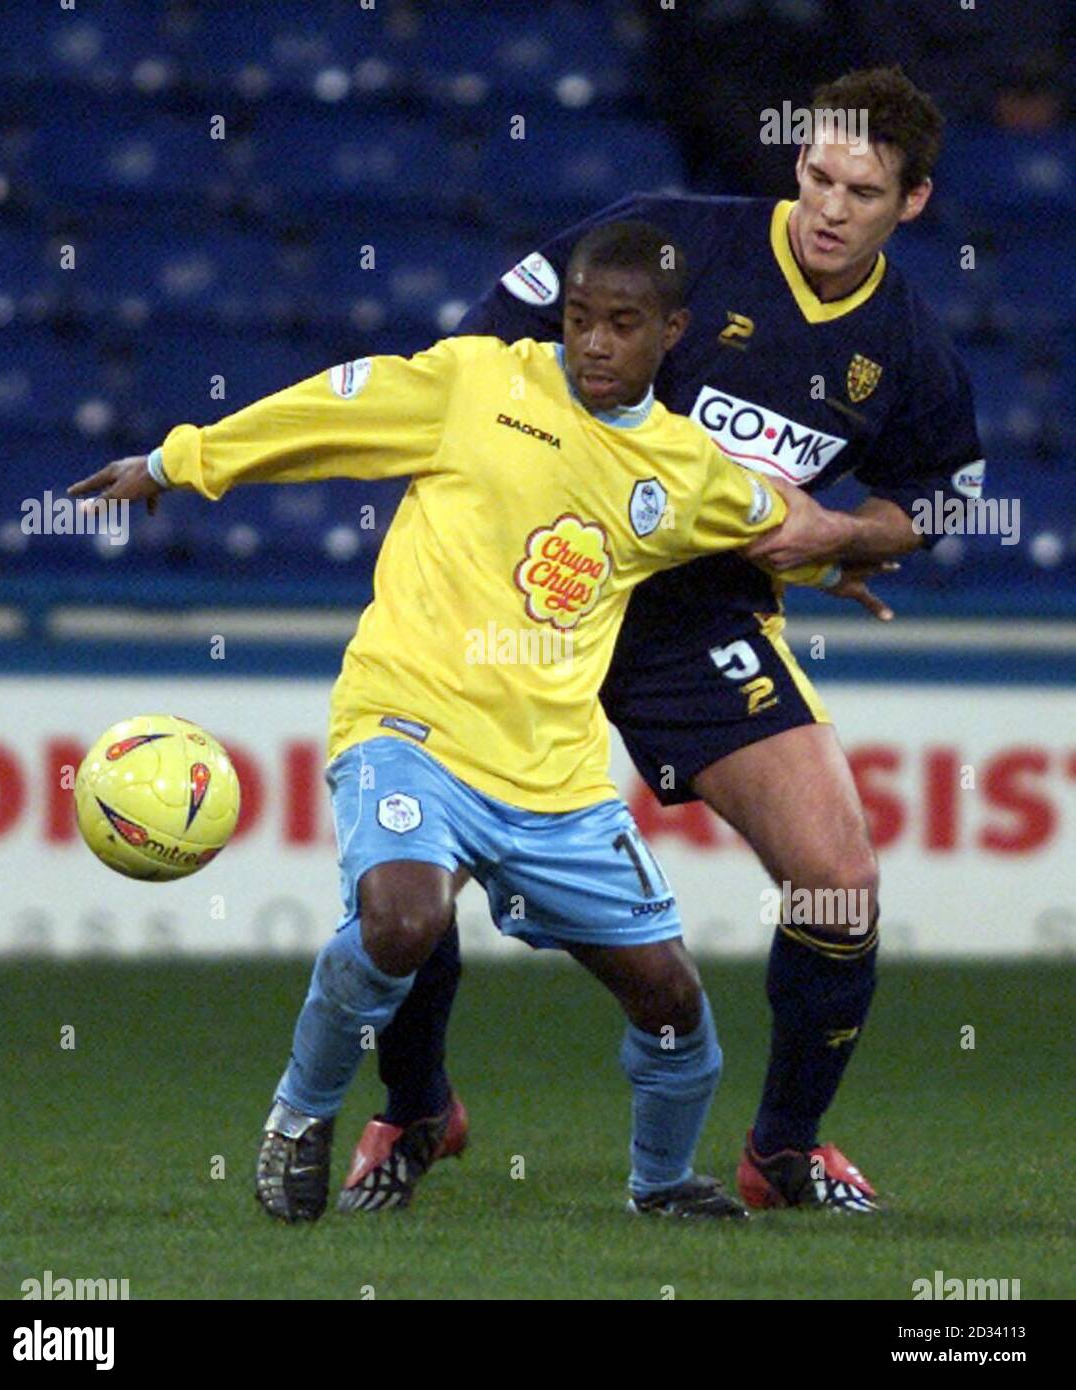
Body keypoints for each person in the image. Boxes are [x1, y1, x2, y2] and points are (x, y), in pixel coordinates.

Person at [69, 221, 866, 1221]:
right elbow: (320, 413)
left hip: (554, 778)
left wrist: (847, 560)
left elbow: (773, 523)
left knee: (670, 1001)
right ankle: (299, 1114)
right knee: (403, 918)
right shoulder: (475, 383)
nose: (596, 345)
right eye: (580, 321)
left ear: (673, 331)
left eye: (624, 326)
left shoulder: (682, 469)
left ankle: (660, 1183)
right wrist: (177, 462)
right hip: (410, 724)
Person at [338, 66, 985, 1215]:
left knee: (840, 883)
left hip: (695, 620)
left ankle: (782, 1150)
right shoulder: (673, 243)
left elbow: (939, 498)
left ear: (913, 204)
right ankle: (420, 1105)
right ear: (799, 163)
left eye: (866, 192)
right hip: (534, 589)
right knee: (415, 873)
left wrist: (842, 529)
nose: (832, 209)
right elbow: (484, 359)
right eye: (820, 177)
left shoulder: (908, 348)